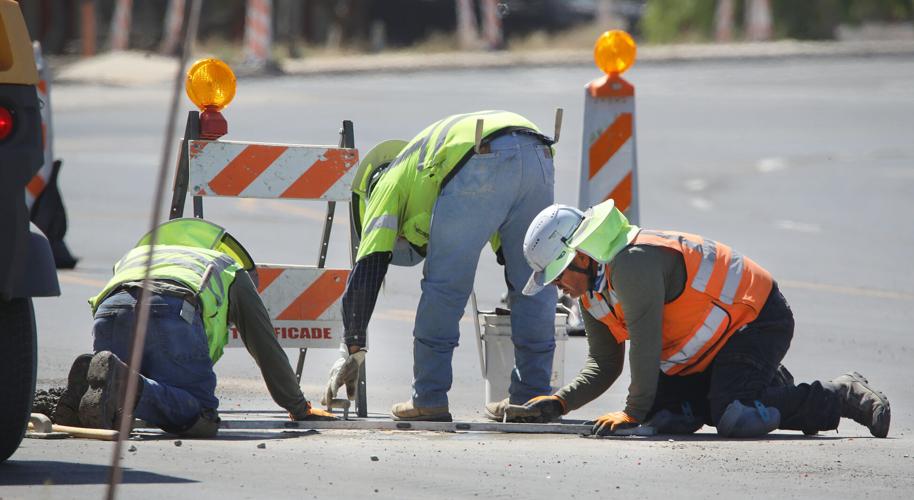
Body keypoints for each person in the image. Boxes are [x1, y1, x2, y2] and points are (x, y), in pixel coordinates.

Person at [515, 199, 890, 438]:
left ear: (582, 257)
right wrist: (559, 403)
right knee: (665, 417)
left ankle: (840, 394)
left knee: (736, 417)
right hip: (706, 351)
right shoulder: (591, 293)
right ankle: (761, 385)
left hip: (754, 320)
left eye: (558, 275)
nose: (559, 287)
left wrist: (631, 412)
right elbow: (604, 363)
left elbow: (644, 345)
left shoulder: (631, 262)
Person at [326, 110, 558, 422]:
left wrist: (352, 347)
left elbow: (369, 266)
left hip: (480, 158)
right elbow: (513, 261)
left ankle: (429, 398)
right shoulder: (424, 169)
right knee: (533, 278)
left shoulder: (385, 186)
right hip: (538, 151)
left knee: (445, 288)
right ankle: (532, 397)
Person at [53, 218, 336, 436]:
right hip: (170, 309)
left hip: (109, 311)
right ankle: (122, 385)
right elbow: (265, 346)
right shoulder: (229, 269)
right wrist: (298, 407)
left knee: (110, 402)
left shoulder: (140, 254)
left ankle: (86, 393)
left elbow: (122, 304)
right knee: (201, 416)